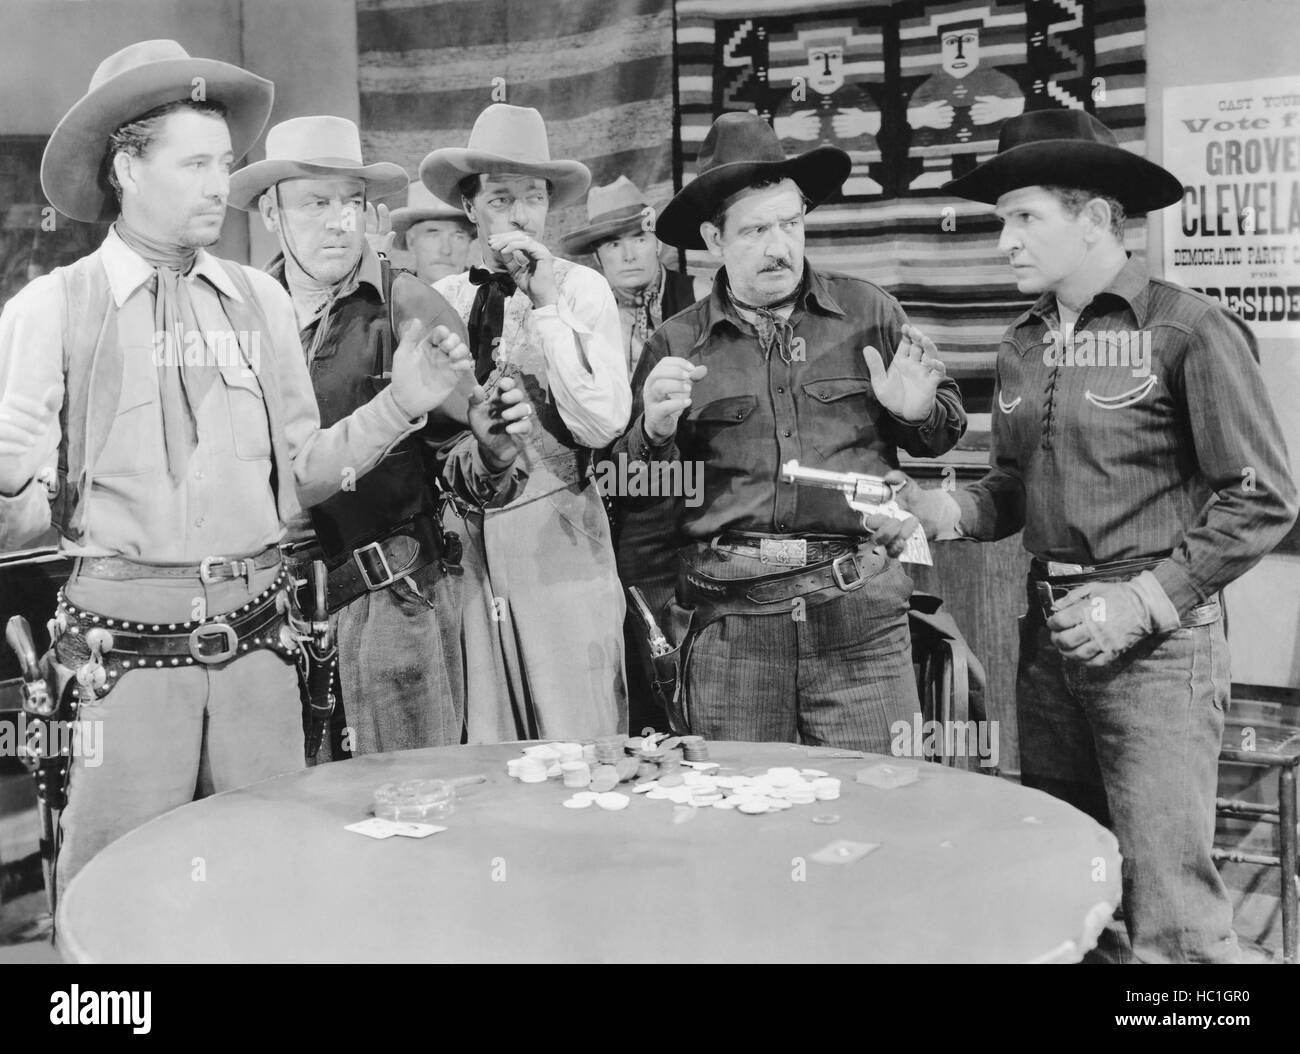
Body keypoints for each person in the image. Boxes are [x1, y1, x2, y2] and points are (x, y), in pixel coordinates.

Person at [0, 41, 474, 898]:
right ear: (128, 168)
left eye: (226, 163)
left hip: (260, 649)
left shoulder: (257, 301)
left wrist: (401, 404)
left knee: (269, 887)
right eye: (194, 163)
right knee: (119, 896)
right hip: (124, 665)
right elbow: (26, 522)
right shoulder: (53, 311)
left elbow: (303, 478)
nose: (221, 185)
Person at [892, 109, 1299, 962]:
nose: (1003, 239)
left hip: (1155, 654)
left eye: (1024, 216)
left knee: (1173, 916)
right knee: (1077, 889)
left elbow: (1261, 497)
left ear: (1094, 215)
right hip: (1047, 646)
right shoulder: (1023, 344)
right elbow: (1009, 491)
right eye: (1001, 218)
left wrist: (1143, 602)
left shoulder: (1185, 331)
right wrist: (944, 512)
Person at [615, 111, 966, 750]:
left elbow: (941, 433)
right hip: (731, 629)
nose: (779, 246)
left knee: (879, 814)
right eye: (755, 230)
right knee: (737, 826)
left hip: (857, 619)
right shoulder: (676, 341)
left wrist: (916, 413)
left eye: (791, 223)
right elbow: (637, 498)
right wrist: (655, 432)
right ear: (713, 239)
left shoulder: (868, 313)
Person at [228, 114, 532, 756]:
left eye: (352, 201)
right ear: (271, 214)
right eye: (316, 202)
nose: (340, 220)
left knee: (410, 813)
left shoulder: (408, 304)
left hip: (391, 606)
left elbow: (464, 469)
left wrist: (496, 456)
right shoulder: (238, 314)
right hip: (265, 621)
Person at [420, 103, 632, 741]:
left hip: (560, 536)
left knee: (579, 735)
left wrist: (544, 304)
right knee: (489, 743)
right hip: (469, 548)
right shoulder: (448, 299)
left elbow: (603, 422)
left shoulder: (580, 289)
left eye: (534, 198)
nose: (519, 215)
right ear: (470, 207)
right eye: (501, 198)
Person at [561, 175, 707, 734]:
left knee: (697, 643)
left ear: (658, 240)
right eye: (612, 243)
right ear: (598, 255)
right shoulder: (584, 318)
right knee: (639, 649)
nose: (626, 252)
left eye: (637, 237)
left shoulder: (698, 301)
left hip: (692, 494)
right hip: (617, 499)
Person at [905, 17, 1023, 190]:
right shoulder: (931, 85)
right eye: (951, 42)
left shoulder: (995, 79)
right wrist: (925, 116)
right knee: (933, 148)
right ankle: (935, 171)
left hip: (986, 133)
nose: (959, 51)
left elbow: (1017, 104)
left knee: (994, 149)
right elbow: (912, 113)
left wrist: (1001, 108)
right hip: (942, 135)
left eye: (968, 40)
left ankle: (992, 170)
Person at [772, 32, 883, 196]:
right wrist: (791, 127)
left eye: (834, 57)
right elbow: (781, 123)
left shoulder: (854, 92)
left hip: (852, 155)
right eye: (818, 58)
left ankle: (858, 177)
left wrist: (861, 122)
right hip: (806, 154)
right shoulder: (800, 92)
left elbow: (874, 120)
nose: (827, 67)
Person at [391, 182, 476, 285]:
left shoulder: (491, 298)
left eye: (458, 237)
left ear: (469, 243)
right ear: (411, 242)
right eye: (433, 235)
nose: (446, 250)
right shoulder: (391, 298)